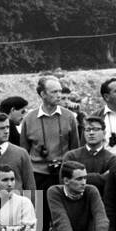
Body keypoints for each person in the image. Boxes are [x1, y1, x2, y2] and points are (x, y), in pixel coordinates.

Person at [19, 76, 80, 209]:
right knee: (39, 217)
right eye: (54, 92)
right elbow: (23, 151)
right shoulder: (29, 119)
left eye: (60, 91)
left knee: (63, 214)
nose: (59, 95)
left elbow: (75, 148)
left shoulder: (69, 117)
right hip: (37, 176)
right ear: (42, 94)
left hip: (63, 175)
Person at [45, 161, 108, 231]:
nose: (84, 182)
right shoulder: (54, 192)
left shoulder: (91, 191)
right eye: (79, 179)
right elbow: (60, 217)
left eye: (85, 178)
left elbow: (100, 215)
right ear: (66, 181)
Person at [63, 117, 116, 194]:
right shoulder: (71, 156)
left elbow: (113, 185)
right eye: (87, 130)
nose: (91, 133)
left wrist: (78, 177)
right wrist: (101, 178)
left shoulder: (113, 159)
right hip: (75, 201)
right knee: (41, 203)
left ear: (104, 133)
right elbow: (65, 182)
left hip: (102, 202)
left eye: (96, 129)